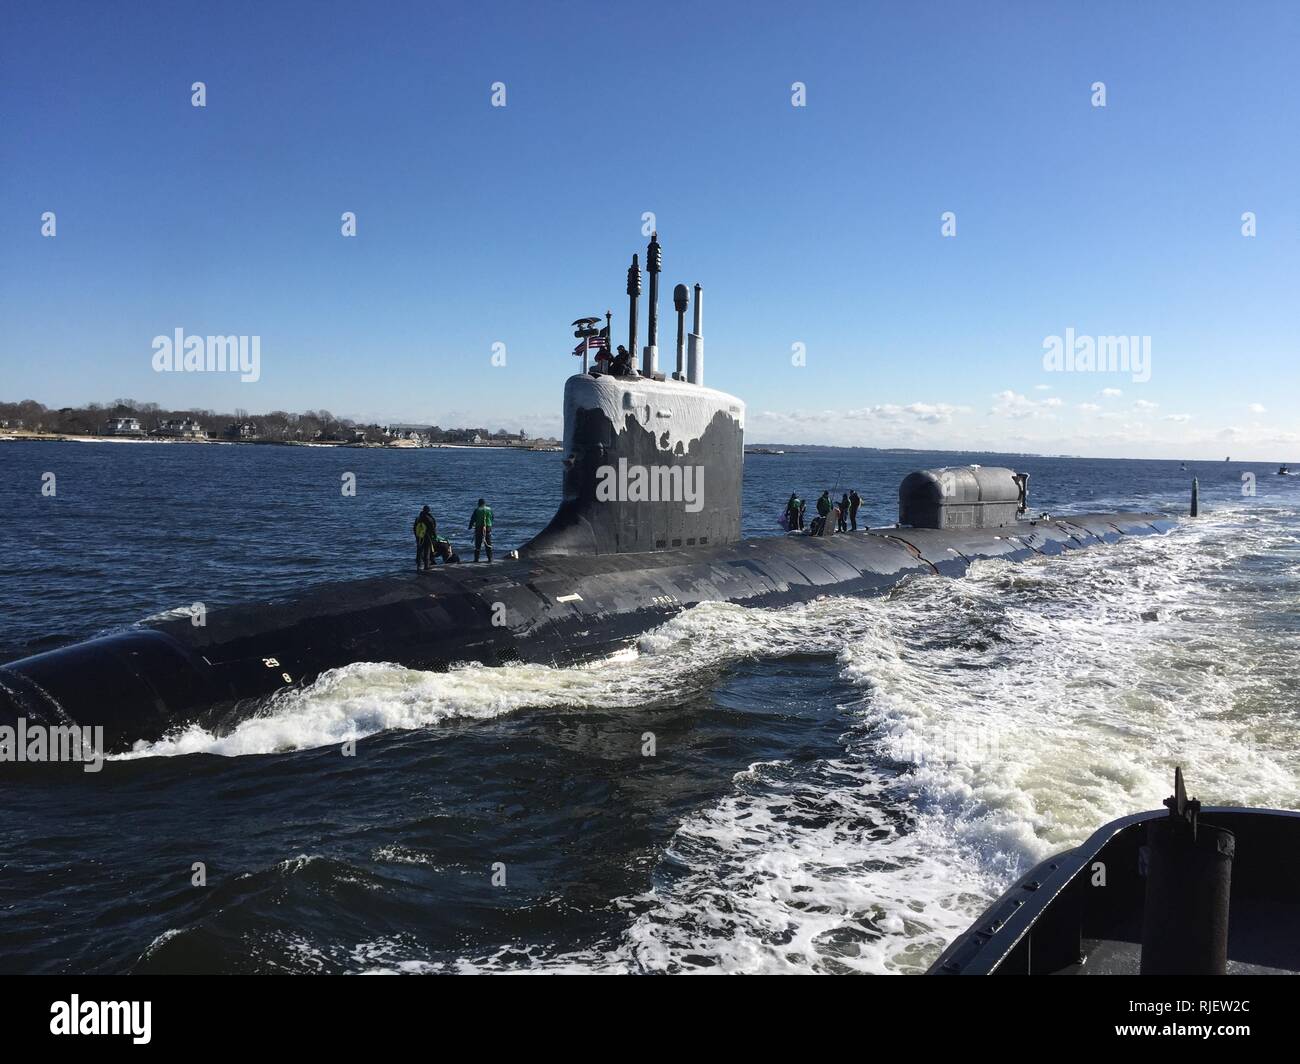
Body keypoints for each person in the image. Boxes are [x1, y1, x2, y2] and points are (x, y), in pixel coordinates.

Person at [469, 498, 494, 562]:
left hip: (479, 528)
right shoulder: (489, 509)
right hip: (488, 528)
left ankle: (476, 559)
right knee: (488, 543)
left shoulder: (477, 510)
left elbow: (473, 519)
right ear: (485, 503)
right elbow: (492, 517)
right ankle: (490, 558)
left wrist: (470, 526)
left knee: (478, 544)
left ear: (479, 503)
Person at [413, 505, 437, 571]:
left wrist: (417, 536)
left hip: (419, 537)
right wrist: (435, 537)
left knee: (419, 551)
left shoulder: (418, 518)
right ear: (428, 511)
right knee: (427, 551)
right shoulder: (429, 518)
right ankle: (426, 566)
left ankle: (418, 565)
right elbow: (433, 528)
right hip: (427, 537)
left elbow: (414, 528)